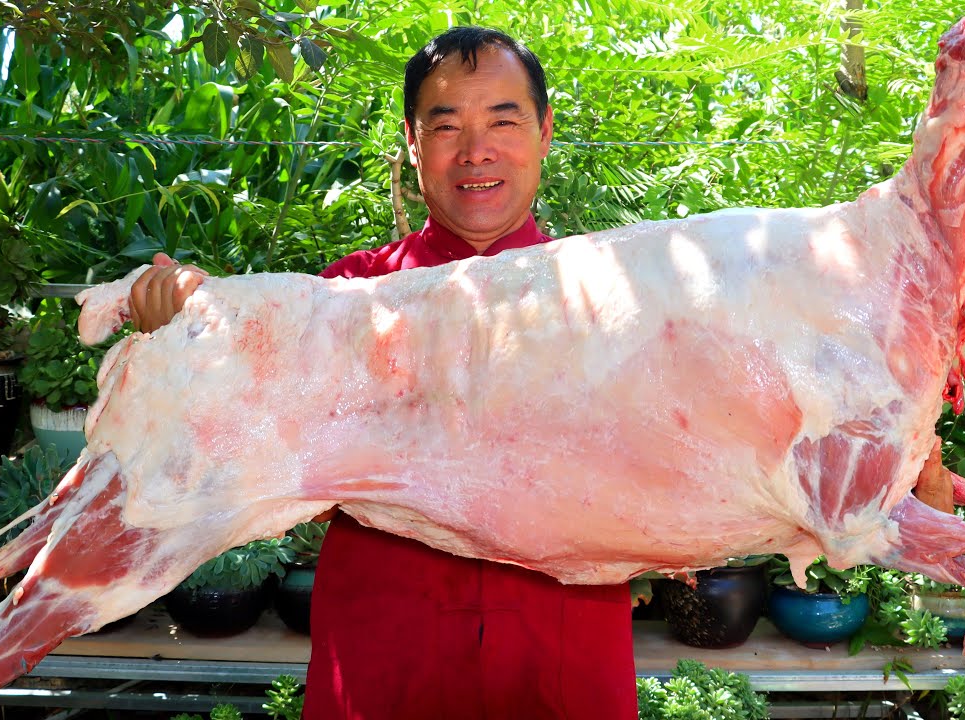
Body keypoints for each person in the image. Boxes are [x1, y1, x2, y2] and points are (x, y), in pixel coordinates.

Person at [130, 26, 637, 719]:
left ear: (545, 131)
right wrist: (184, 334)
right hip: (384, 645)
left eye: (503, 119)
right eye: (447, 124)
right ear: (412, 141)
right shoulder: (344, 299)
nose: (476, 150)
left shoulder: (617, 300)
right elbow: (240, 439)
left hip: (561, 644)